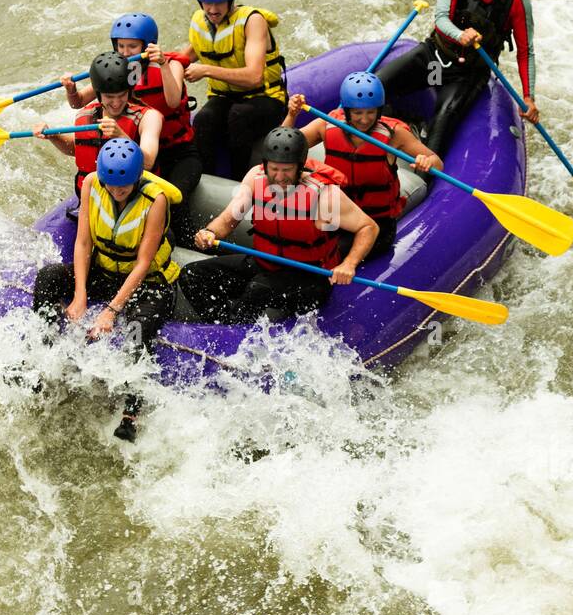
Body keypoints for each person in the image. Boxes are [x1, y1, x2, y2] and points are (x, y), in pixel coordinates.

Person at [32, 138, 181, 442]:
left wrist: (111, 311)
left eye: (123, 187)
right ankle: (42, 355)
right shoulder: (91, 183)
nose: (116, 192)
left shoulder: (156, 200)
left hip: (148, 281)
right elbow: (84, 242)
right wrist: (80, 293)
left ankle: (131, 411)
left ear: (137, 178)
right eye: (111, 186)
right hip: (104, 270)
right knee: (49, 277)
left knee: (140, 326)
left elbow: (143, 262)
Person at [179, 127, 377, 324]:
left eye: (287, 170)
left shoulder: (324, 196)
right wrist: (209, 232)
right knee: (192, 275)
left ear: (300, 167)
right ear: (265, 165)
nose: (279, 177)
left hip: (310, 278)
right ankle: (223, 325)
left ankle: (233, 333)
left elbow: (368, 227)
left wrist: (349, 264)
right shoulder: (255, 178)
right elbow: (228, 220)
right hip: (265, 265)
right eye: (273, 169)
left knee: (258, 289)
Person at [376, 0, 539, 154]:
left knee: (442, 122)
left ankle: (424, 178)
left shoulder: (517, 0)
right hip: (436, 60)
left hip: (467, 75)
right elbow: (441, 18)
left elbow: (526, 52)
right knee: (377, 86)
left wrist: (528, 97)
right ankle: (383, 130)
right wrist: (460, 34)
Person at [281, 71, 444, 256]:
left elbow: (437, 163)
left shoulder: (395, 133)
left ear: (379, 110)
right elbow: (281, 146)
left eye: (371, 112)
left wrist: (427, 161)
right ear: (347, 110)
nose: (364, 119)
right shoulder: (327, 124)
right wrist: (292, 115)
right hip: (337, 214)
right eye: (358, 113)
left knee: (322, 253)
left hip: (375, 224)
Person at [62, 13, 202, 203]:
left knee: (175, 203)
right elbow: (78, 102)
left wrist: (162, 64)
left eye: (132, 46)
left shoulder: (171, 64)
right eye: (121, 46)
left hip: (177, 152)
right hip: (138, 148)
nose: (126, 52)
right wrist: (71, 89)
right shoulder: (119, 71)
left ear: (147, 45)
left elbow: (172, 102)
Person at [183, 0, 287, 179]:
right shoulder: (202, 22)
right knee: (203, 120)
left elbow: (253, 76)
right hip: (226, 98)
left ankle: (240, 181)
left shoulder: (253, 21)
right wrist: (160, 61)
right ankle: (206, 183)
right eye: (207, 3)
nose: (212, 10)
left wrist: (206, 70)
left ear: (230, 0)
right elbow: (185, 58)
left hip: (266, 99)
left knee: (238, 116)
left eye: (219, 2)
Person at [35, 52, 162, 202]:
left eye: (121, 95)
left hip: (133, 199)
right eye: (109, 97)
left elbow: (148, 163)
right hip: (94, 199)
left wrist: (120, 135)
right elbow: (76, 149)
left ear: (129, 91)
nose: (116, 103)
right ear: (98, 94)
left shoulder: (149, 117)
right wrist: (53, 136)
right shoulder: (87, 115)